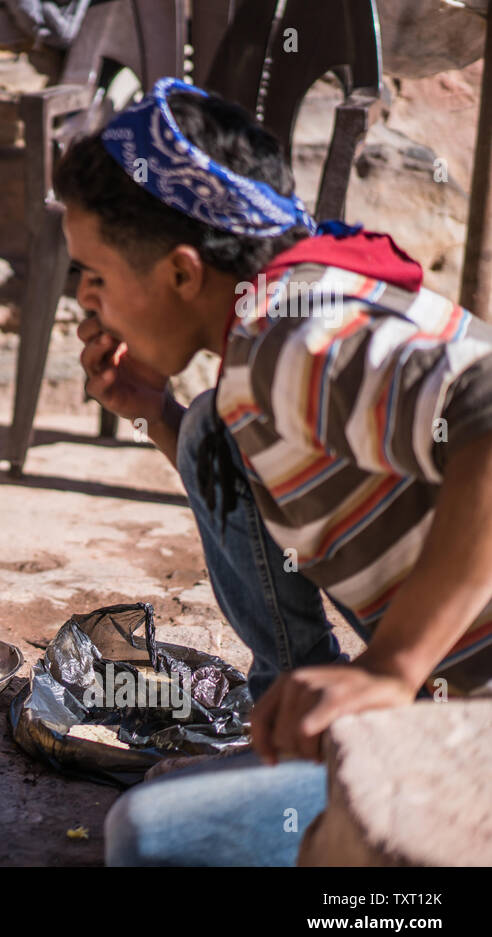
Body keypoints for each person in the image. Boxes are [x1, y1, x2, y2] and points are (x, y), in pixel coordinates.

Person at [56, 78, 492, 864]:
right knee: (206, 433)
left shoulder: (287, 339)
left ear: (183, 274)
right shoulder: (284, 306)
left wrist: (393, 669)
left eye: (95, 274)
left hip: (471, 736)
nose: (85, 302)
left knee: (151, 836)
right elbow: (251, 468)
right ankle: (301, 738)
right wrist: (155, 409)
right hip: (454, 702)